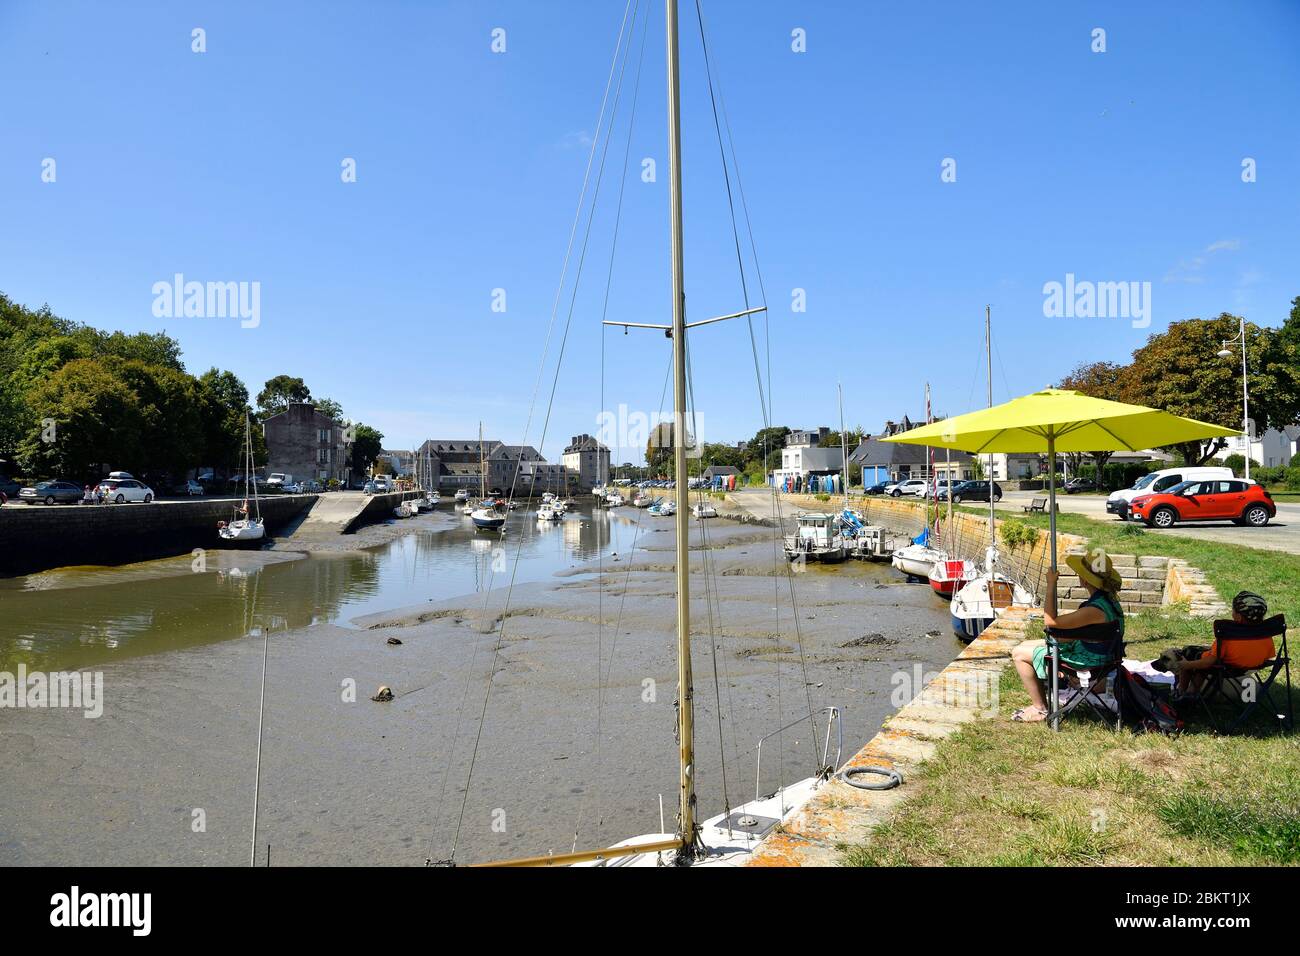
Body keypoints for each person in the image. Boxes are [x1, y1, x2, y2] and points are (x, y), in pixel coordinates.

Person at [1010, 548, 1125, 723]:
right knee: (1026, 644)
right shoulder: (1109, 601)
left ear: (1085, 580)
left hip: (1090, 662)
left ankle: (1039, 708)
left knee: (1018, 654)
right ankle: (1061, 678)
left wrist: (1050, 585)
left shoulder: (1094, 610)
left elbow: (1050, 621)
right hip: (1104, 655)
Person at [1165, 591, 1274, 697]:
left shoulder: (1229, 633)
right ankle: (1188, 691)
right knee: (1204, 655)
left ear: (1239, 617)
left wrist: (1186, 665)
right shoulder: (1265, 633)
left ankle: (1184, 691)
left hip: (1227, 668)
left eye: (1233, 610)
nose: (1232, 613)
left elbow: (1207, 663)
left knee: (1190, 651)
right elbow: (1268, 655)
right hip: (1255, 666)